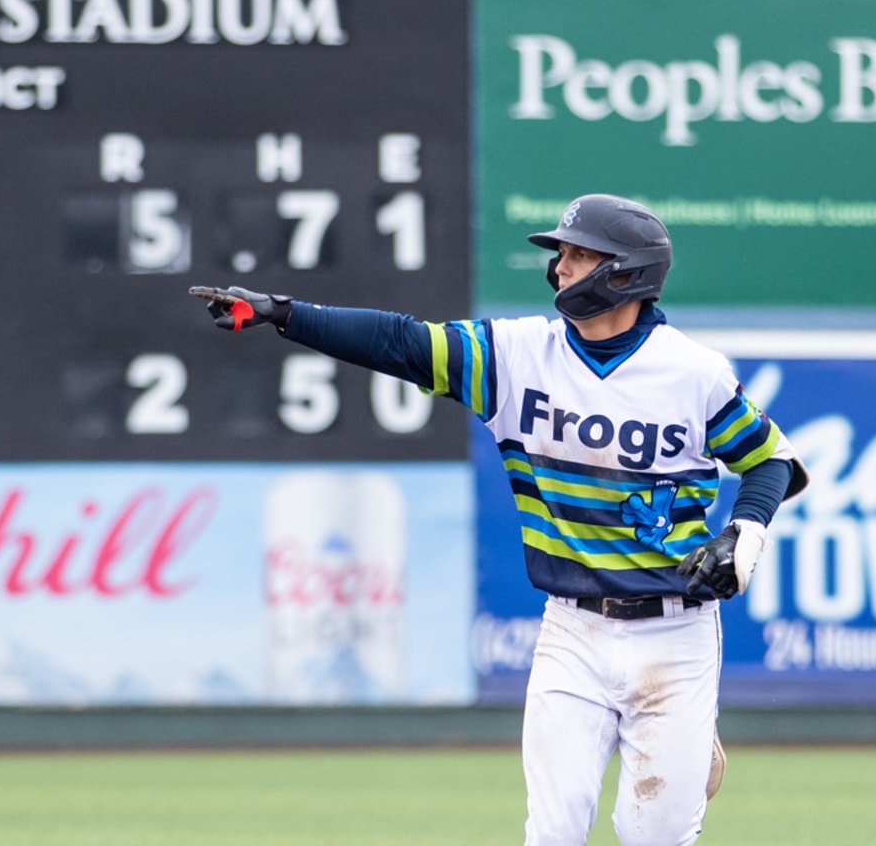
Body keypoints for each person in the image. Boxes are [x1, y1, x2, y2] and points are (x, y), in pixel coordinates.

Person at [190, 193, 807, 845]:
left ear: (626, 272)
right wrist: (284, 314)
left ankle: (683, 733)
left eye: (578, 254)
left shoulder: (692, 373)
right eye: (562, 254)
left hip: (674, 636)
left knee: (650, 835)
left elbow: (772, 461)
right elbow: (401, 343)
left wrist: (748, 529)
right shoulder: (514, 357)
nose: (561, 267)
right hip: (573, 631)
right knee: (554, 831)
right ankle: (675, 739)